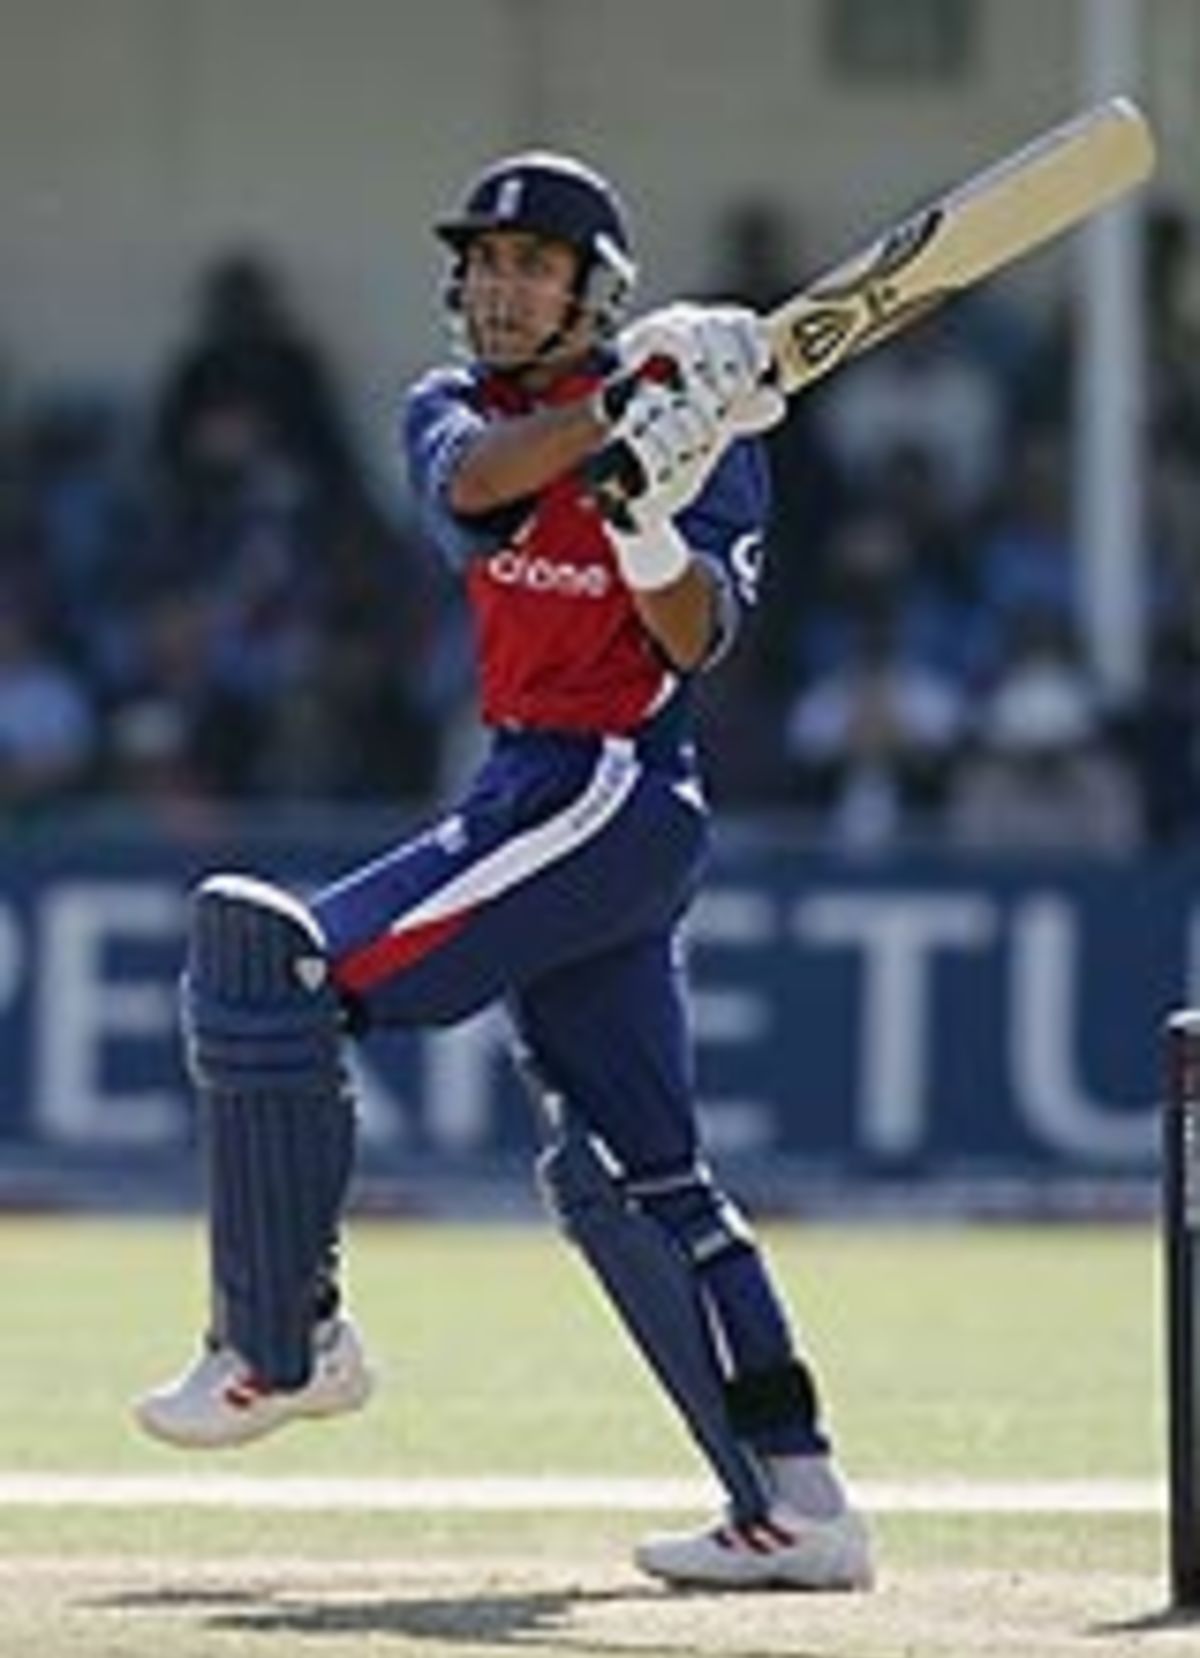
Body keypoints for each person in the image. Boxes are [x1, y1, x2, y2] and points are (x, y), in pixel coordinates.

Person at [133, 151, 872, 1593]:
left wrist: (659, 493)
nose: (497, 286)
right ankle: (799, 1496)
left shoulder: (721, 433)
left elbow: (697, 638)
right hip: (530, 779)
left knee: (274, 970)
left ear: (596, 287)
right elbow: (475, 486)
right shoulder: (451, 404)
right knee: (635, 1175)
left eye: (532, 265)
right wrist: (626, 417)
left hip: (608, 785)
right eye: (484, 262)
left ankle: (284, 1344)